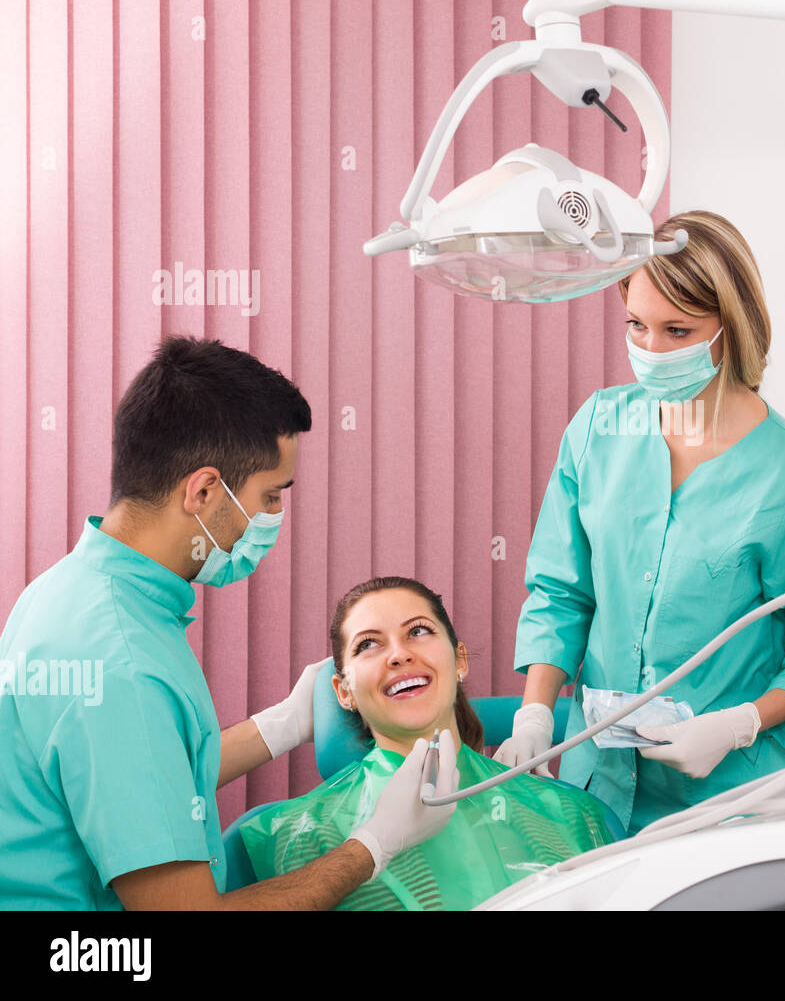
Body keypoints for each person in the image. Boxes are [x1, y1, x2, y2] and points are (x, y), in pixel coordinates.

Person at [0, 337, 454, 910]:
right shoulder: (125, 665)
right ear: (205, 490)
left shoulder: (71, 594)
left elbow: (136, 776)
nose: (271, 519)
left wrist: (281, 726)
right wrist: (373, 845)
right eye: (268, 497)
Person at [497, 210, 785, 834]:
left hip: (726, 798)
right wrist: (534, 715)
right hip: (598, 785)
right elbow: (562, 593)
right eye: (636, 325)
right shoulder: (598, 428)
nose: (651, 350)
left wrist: (739, 722)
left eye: (677, 330)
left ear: (732, 328)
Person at [240, 578, 614, 909]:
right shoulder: (299, 834)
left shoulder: (568, 814)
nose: (399, 654)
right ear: (344, 692)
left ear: (459, 660)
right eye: (368, 644)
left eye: (418, 631)